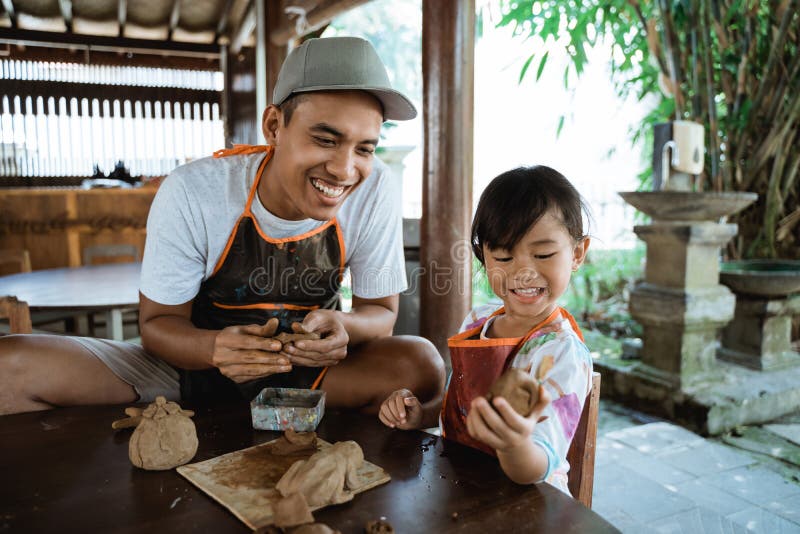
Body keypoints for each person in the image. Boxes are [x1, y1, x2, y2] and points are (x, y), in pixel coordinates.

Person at [0, 36, 444, 415]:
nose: (345, 169)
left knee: (422, 363)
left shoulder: (374, 187)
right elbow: (157, 325)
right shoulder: (196, 191)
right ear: (275, 125)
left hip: (309, 375)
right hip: (188, 373)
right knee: (10, 366)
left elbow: (380, 315)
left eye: (364, 148)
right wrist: (214, 350)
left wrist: (345, 327)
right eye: (325, 139)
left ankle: (284, 419)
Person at [378, 166, 592, 495]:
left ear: (577, 253)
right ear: (484, 257)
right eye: (504, 257)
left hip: (528, 503)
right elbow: (460, 405)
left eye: (543, 254)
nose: (523, 272)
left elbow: (537, 467)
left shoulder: (562, 353)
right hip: (461, 486)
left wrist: (513, 442)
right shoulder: (479, 321)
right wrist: (421, 414)